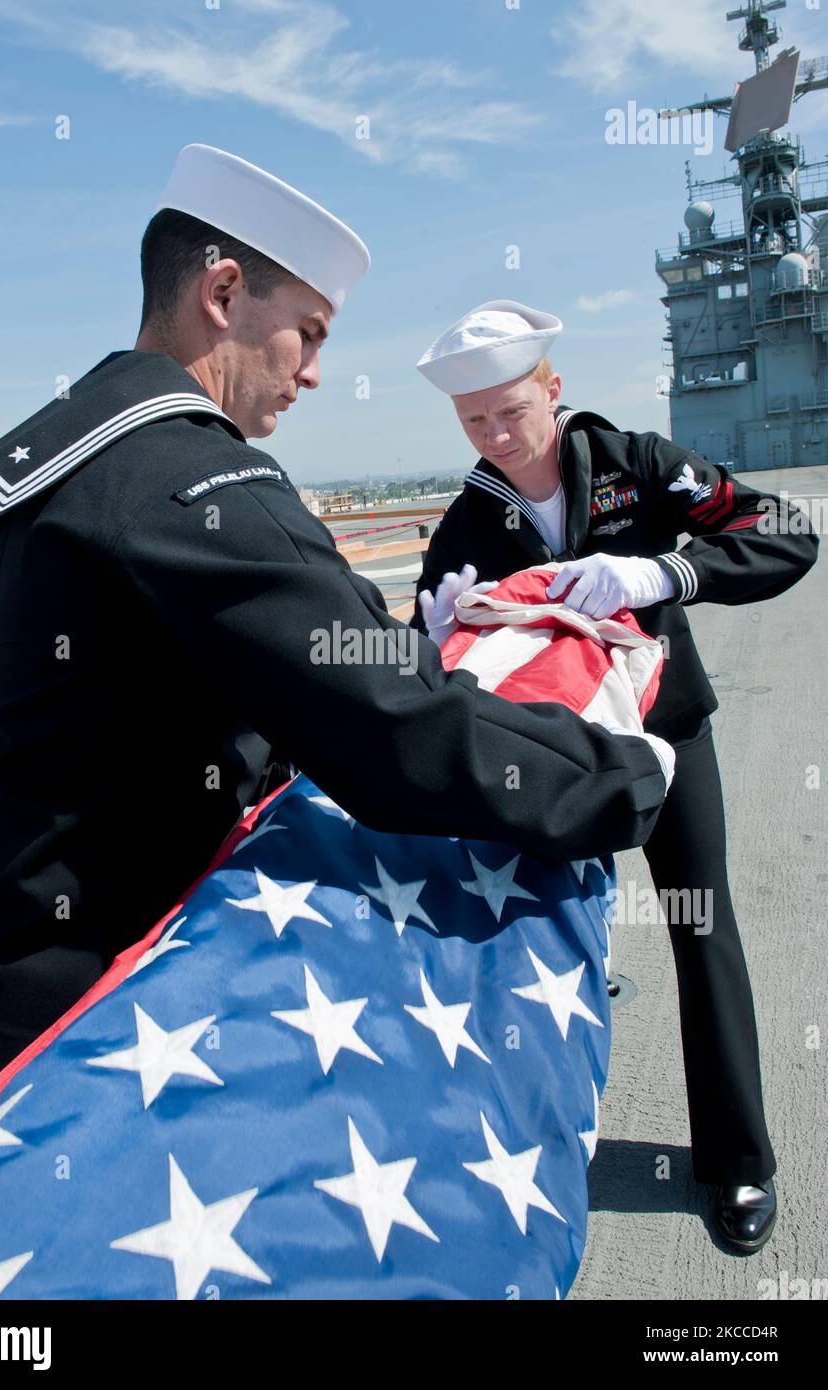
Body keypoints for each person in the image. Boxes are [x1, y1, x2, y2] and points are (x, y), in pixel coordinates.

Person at [0, 151, 674, 1126]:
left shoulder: (65, 458)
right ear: (224, 292)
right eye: (308, 334)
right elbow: (394, 725)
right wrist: (622, 774)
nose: (314, 373)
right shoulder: (188, 479)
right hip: (95, 1025)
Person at [410, 299, 820, 1253]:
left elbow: (785, 532)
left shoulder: (641, 467)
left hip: (667, 739)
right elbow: (425, 663)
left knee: (702, 929)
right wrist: (426, 642)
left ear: (553, 390)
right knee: (521, 946)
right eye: (474, 421)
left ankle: (739, 1162)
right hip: (553, 766)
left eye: (512, 411)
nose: (497, 436)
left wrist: (662, 576)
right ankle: (515, 1153)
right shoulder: (471, 520)